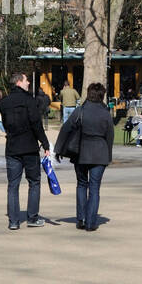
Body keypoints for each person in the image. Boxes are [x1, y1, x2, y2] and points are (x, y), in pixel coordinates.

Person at [55, 82, 115, 232]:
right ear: (102, 96)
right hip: (100, 153)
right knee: (94, 188)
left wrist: (58, 150)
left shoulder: (80, 111)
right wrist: (108, 156)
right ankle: (91, 222)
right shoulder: (106, 114)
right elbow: (110, 137)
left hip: (81, 152)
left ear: (88, 94)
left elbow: (66, 129)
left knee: (82, 184)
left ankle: (81, 218)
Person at [0, 71, 50, 230]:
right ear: (19, 82)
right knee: (34, 182)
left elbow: (7, 124)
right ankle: (32, 217)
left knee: (13, 185)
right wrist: (45, 143)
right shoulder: (30, 101)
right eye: (27, 80)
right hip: (29, 147)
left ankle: (13, 221)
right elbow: (36, 124)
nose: (29, 83)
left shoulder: (4, 102)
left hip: (13, 146)